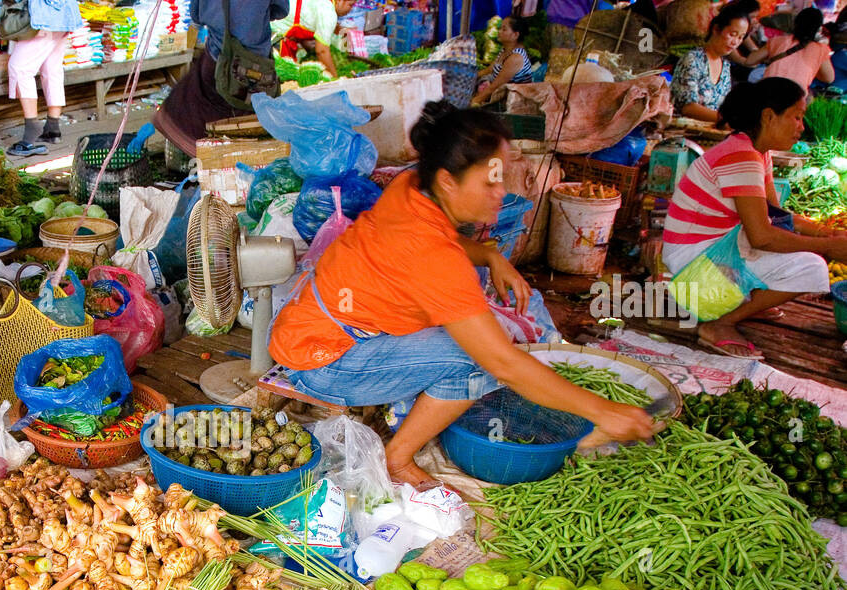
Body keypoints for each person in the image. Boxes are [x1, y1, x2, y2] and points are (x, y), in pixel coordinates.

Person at [268, 100, 655, 487]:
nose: (501, 192)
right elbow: (503, 363)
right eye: (489, 182)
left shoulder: (413, 186)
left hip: (305, 326)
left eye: (501, 177)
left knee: (476, 334)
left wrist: (489, 255)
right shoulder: (435, 258)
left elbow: (442, 238)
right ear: (448, 181)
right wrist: (605, 412)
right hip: (323, 361)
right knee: (477, 359)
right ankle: (397, 458)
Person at [663, 78, 847, 358]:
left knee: (803, 257)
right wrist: (828, 247)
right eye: (797, 117)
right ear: (769, 116)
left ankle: (745, 303)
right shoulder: (741, 156)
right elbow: (762, 236)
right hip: (693, 273)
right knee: (813, 267)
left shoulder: (755, 153)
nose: (801, 127)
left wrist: (823, 233)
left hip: (708, 256)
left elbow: (776, 214)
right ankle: (720, 322)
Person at [154, 0, 290, 156]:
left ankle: (215, 166)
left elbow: (196, 16)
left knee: (203, 118)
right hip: (254, 68)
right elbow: (280, 11)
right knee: (251, 134)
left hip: (216, 59)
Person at [6, 0, 83, 158]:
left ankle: (30, 134)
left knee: (19, 68)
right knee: (51, 69)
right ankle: (52, 128)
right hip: (63, 16)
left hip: (46, 16)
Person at [670, 6, 749, 123]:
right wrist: (725, 120)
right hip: (684, 132)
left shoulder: (726, 66)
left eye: (740, 37)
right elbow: (688, 108)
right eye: (732, 34)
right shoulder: (693, 59)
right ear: (716, 29)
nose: (735, 42)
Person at [750, 7, 834, 91]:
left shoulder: (777, 41)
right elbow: (829, 78)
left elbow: (750, 61)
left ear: (795, 22)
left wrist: (753, 48)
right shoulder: (821, 49)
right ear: (818, 28)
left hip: (767, 90)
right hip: (795, 97)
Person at [271, 0, 355, 80]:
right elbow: (322, 51)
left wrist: (340, 30)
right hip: (275, 37)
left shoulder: (324, 4)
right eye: (350, 5)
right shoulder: (328, 13)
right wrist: (334, 78)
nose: (351, 10)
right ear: (339, 1)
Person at [473, 16, 534, 105]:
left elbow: (493, 87)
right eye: (500, 28)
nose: (499, 31)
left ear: (515, 35)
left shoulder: (516, 58)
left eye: (504, 29)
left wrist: (473, 101)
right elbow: (489, 70)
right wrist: (468, 77)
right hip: (498, 95)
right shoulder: (505, 50)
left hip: (512, 103)